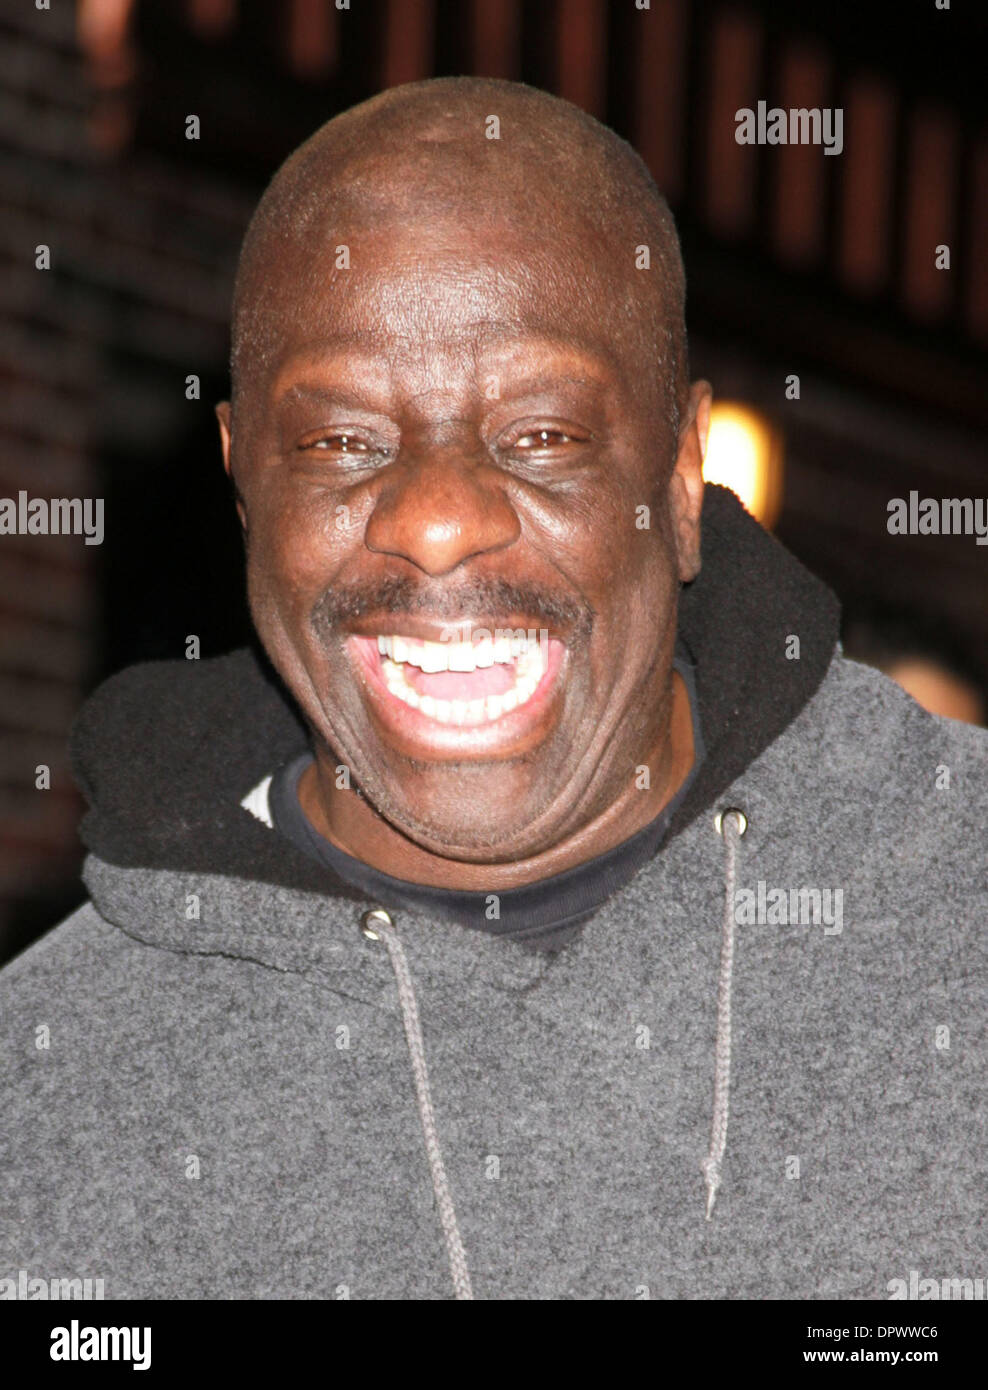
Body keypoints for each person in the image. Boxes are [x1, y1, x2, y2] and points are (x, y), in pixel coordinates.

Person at [1, 77, 984, 1302]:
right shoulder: (45, 1098)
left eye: (540, 435)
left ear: (681, 477)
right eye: (340, 442)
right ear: (244, 483)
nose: (437, 522)